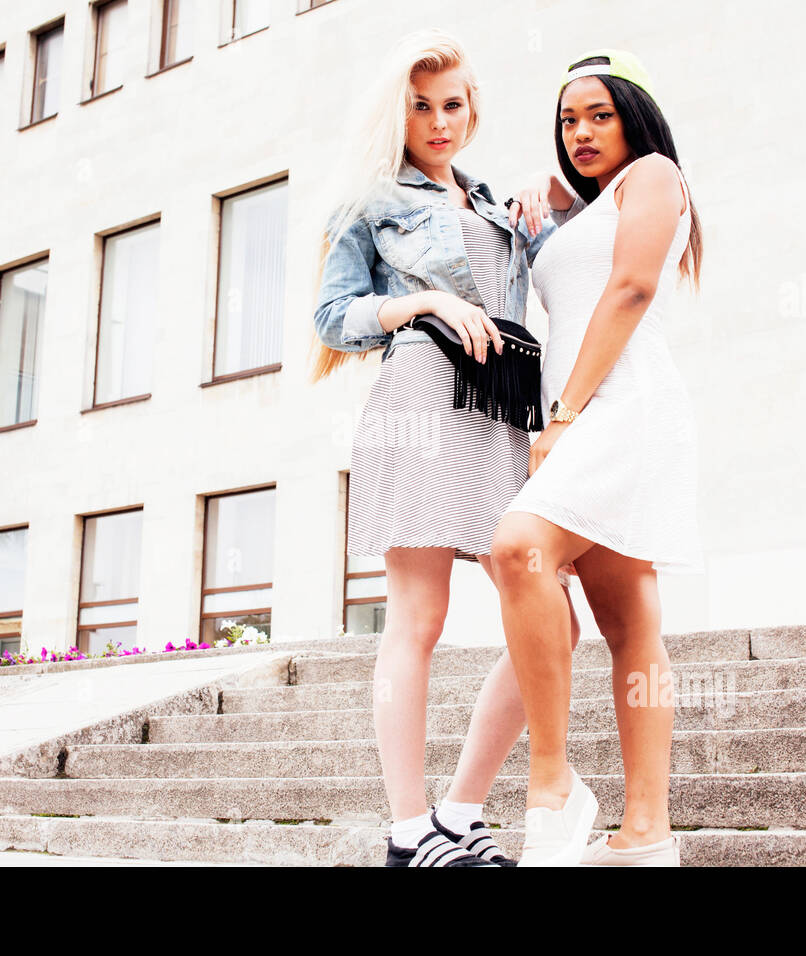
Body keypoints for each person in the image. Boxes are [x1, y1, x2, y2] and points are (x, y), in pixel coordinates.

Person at [310, 28, 581, 867]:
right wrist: (419, 304)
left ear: (473, 110)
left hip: (502, 409)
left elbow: (556, 271)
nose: (437, 120)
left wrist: (562, 200)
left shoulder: (498, 204)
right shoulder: (369, 203)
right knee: (418, 620)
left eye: (451, 104)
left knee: (556, 620)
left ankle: (462, 813)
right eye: (419, 105)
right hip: (423, 394)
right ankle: (406, 830)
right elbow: (332, 319)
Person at [492, 49, 705, 866]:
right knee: (627, 620)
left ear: (634, 117)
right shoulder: (588, 207)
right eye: (566, 121)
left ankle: (553, 778)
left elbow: (629, 291)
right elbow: (576, 278)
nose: (579, 132)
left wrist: (567, 413)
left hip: (621, 406)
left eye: (598, 115)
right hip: (582, 406)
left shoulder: (654, 175)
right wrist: (542, 221)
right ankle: (647, 833)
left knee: (517, 548)